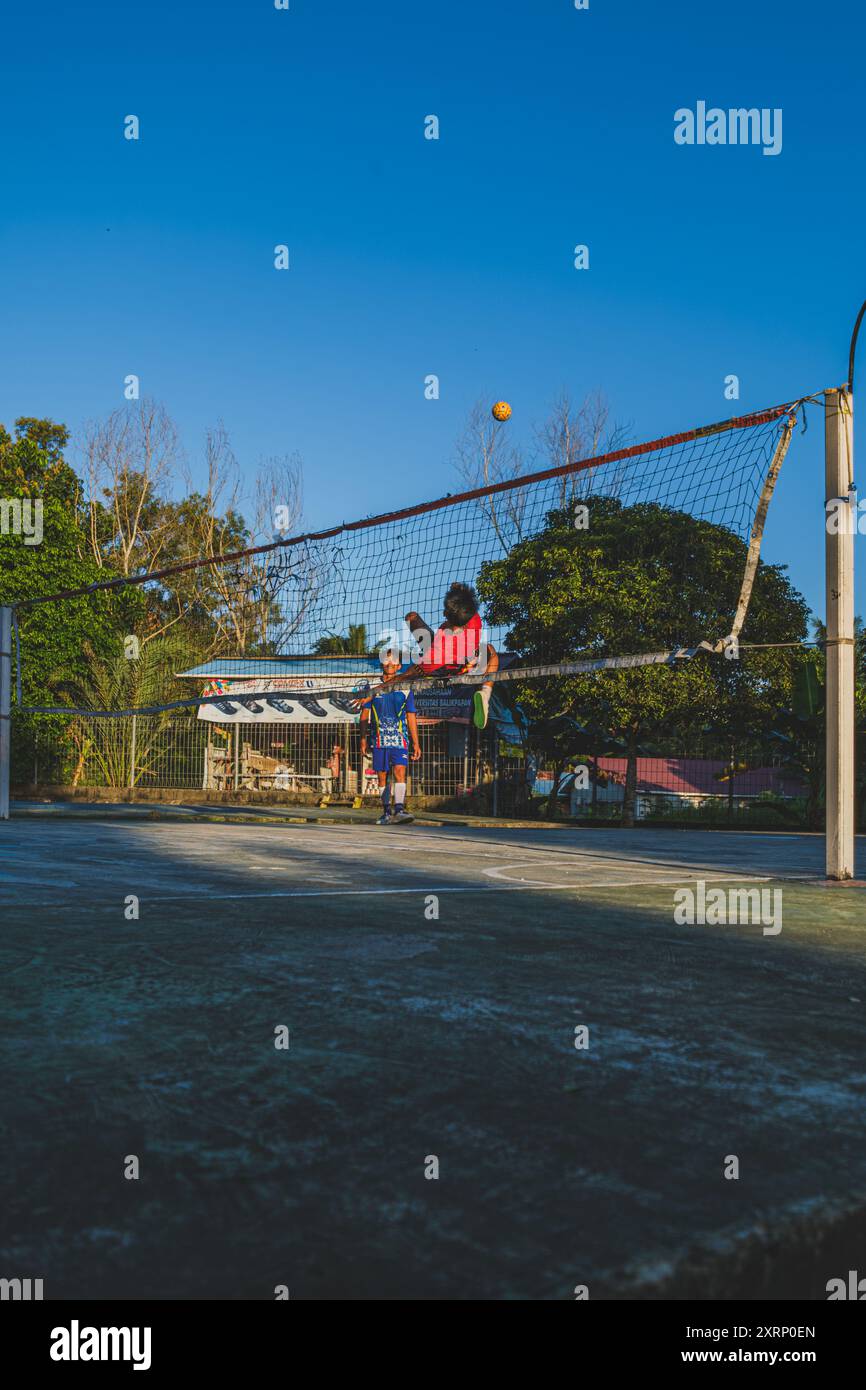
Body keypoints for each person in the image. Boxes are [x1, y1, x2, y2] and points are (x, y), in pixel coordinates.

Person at [401, 581, 499, 729]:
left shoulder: (446, 637)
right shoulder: (470, 621)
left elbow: (410, 672)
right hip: (455, 663)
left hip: (445, 666)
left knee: (414, 619)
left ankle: (482, 691)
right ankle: (485, 692)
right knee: (491, 651)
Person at [359, 651, 421, 824]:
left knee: (400, 771)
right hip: (379, 739)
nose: (389, 663)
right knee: (382, 776)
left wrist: (416, 743)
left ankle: (399, 810)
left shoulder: (406, 687)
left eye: (393, 660)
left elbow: (411, 716)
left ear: (399, 666)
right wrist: (363, 738)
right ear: (382, 664)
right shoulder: (372, 686)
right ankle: (386, 813)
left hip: (400, 738)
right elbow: (364, 714)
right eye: (386, 660)